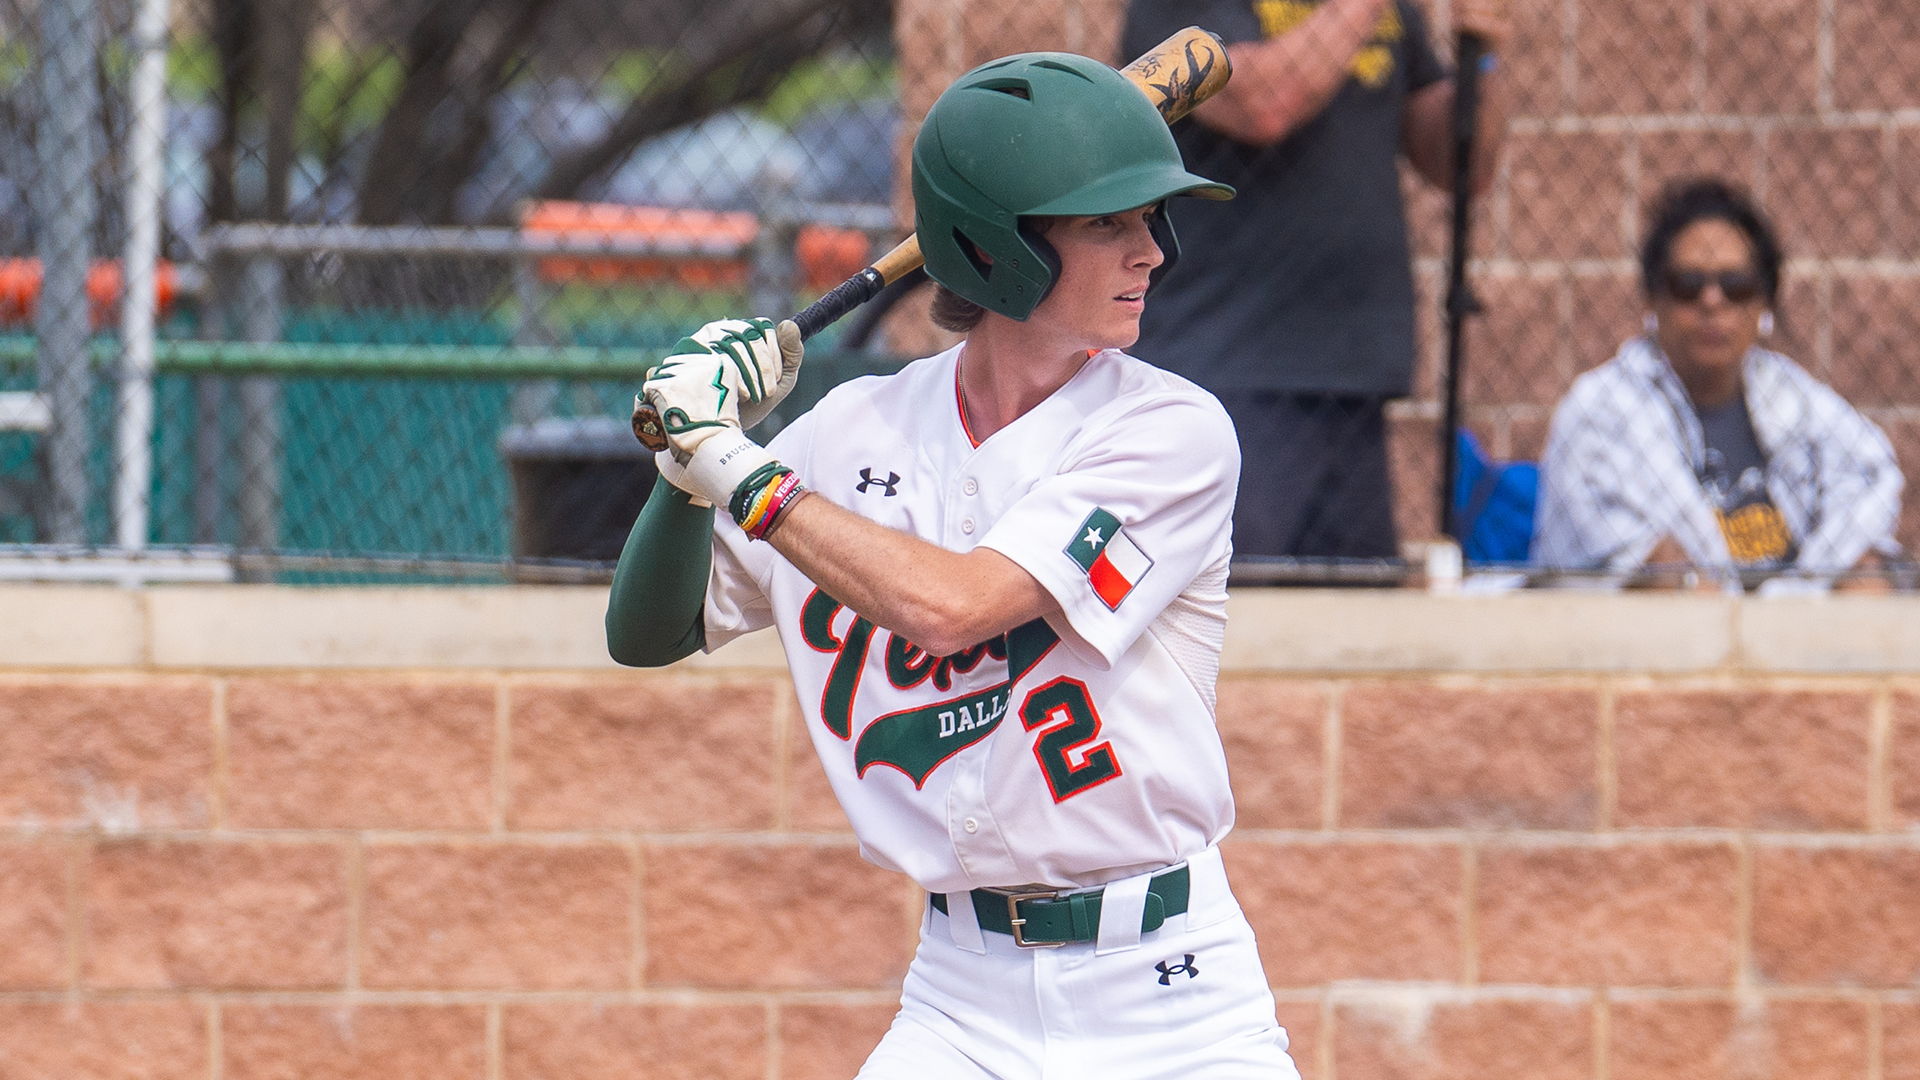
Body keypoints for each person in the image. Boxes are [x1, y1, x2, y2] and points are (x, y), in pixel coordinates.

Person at [606, 52, 1299, 1079]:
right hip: (959, 998)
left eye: (1150, 219)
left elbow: (953, 608)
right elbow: (648, 633)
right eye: (1108, 223)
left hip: (1173, 998)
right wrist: (683, 462)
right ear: (999, 250)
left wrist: (734, 464)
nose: (1152, 251)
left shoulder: (1173, 431)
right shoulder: (852, 431)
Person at [1119, 0, 1509, 559]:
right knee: (1241, 611)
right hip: (1229, 368)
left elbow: (1458, 163)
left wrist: (1483, 56)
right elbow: (1262, 104)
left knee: (1357, 622)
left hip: (1354, 373)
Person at [1531, 178, 1904, 586]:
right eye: (1689, 286)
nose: (1712, 302)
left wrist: (1802, 596)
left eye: (1736, 286)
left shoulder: (1794, 398)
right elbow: (1609, 554)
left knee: (1867, 574)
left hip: (1797, 623)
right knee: (1668, 576)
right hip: (1667, 634)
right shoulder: (1600, 410)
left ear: (1763, 301)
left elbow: (1867, 484)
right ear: (1654, 298)